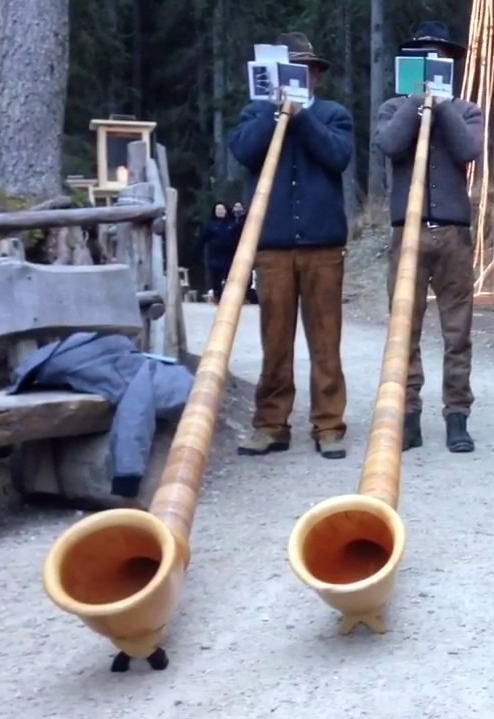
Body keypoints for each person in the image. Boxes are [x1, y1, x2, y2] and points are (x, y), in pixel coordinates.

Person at [226, 33, 354, 460]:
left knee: (325, 340)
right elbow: (243, 151)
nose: (301, 77)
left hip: (323, 245)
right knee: (274, 340)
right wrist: (273, 112)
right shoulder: (254, 112)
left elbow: (337, 157)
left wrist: (300, 117)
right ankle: (270, 424)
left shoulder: (334, 115)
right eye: (291, 71)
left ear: (315, 76)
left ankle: (329, 424)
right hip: (274, 246)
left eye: (306, 70)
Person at [374, 20, 484, 453]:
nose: (431, 62)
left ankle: (457, 415)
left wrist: (442, 107)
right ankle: (408, 415)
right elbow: (390, 145)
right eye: (423, 55)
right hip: (408, 231)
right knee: (405, 329)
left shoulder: (466, 110)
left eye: (438, 55)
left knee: (458, 331)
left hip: (453, 233)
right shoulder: (391, 107)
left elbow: (468, 150)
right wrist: (416, 102)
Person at [199, 202, 239, 303]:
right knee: (215, 278)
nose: (220, 212)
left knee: (230, 277)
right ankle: (218, 297)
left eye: (222, 209)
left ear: (226, 211)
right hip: (214, 256)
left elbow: (238, 238)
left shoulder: (233, 223)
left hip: (229, 255)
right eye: (218, 210)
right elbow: (202, 239)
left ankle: (231, 298)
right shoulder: (210, 224)